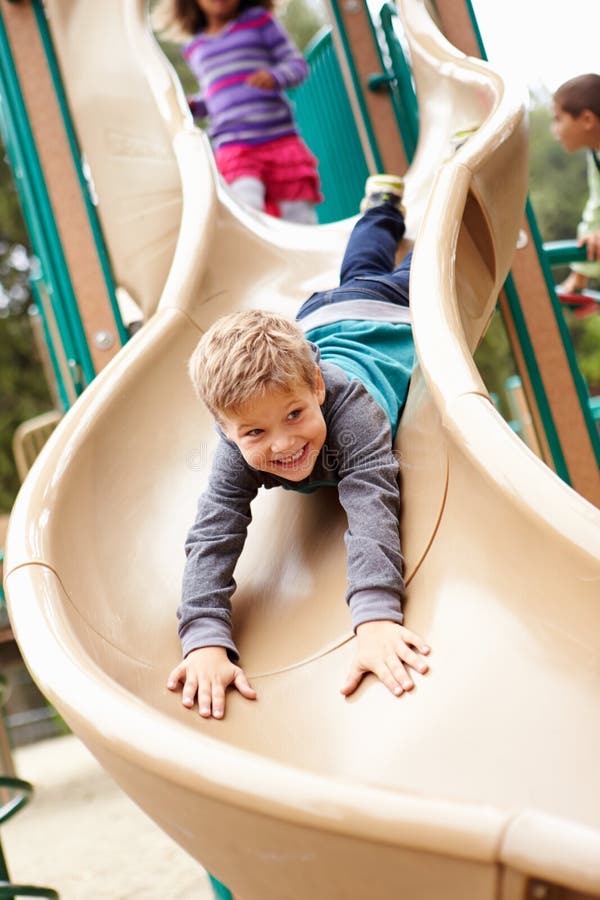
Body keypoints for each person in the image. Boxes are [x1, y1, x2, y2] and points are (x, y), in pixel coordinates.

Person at [168, 175, 431, 719]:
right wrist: (203, 638)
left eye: (294, 415)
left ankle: (414, 206)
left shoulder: (349, 410)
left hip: (380, 314)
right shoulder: (237, 441)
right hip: (316, 320)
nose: (284, 443)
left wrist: (376, 618)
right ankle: (380, 205)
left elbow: (370, 507)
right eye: (255, 433)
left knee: (423, 270)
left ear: (317, 387)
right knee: (357, 269)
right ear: (225, 427)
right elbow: (214, 530)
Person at [153, 0, 322, 224]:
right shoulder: (195, 47)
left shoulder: (259, 22)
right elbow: (216, 97)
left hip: (280, 142)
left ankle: (306, 254)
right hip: (235, 147)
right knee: (247, 209)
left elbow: (297, 65)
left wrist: (274, 76)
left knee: (298, 216)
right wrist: (193, 106)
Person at [552, 73, 600, 293]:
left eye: (558, 119)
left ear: (587, 120)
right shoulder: (595, 153)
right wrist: (580, 274)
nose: (555, 132)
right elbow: (596, 208)